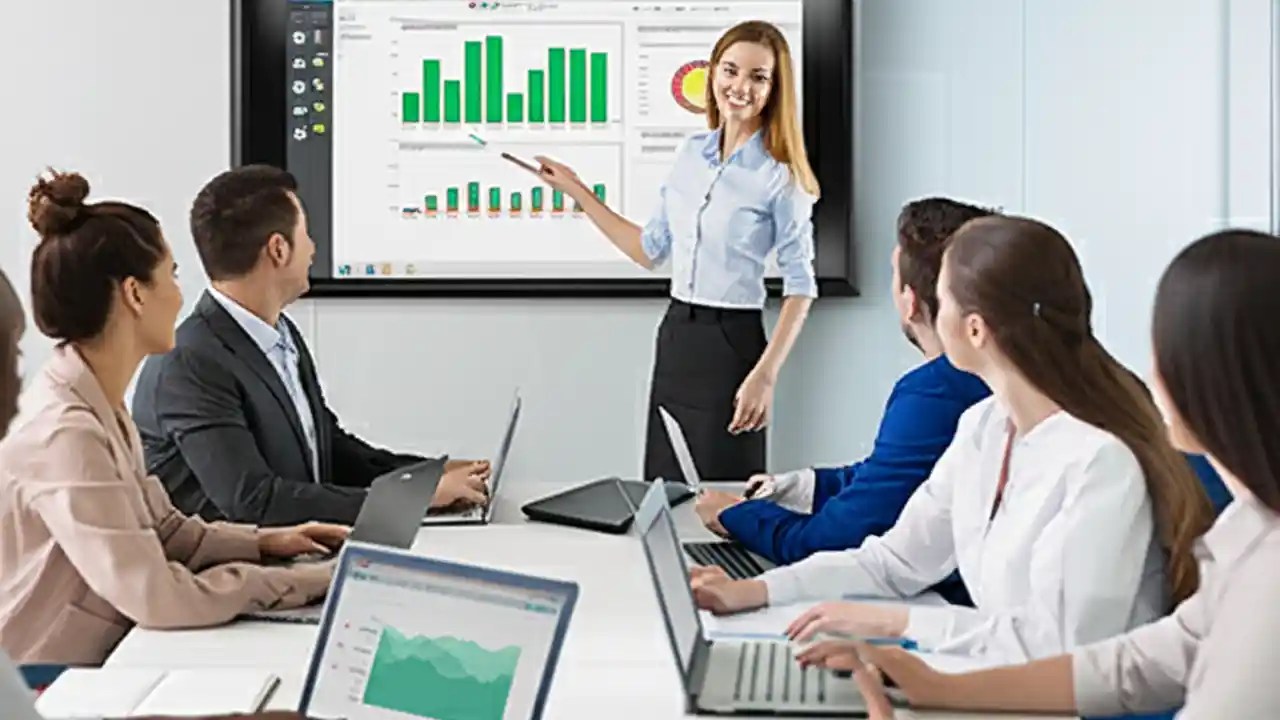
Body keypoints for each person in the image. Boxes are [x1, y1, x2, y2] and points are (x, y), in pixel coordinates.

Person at [691, 215, 1215, 666]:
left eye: (940, 302)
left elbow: (1062, 653)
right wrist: (754, 592)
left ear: (974, 329)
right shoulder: (984, 427)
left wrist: (894, 627)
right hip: (997, 686)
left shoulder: (1098, 459)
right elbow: (892, 563)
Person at [799, 229, 1280, 719]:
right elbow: (1135, 665)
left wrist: (899, 634)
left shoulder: (1267, 574)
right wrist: (932, 686)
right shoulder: (1248, 531)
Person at [0, 171, 341, 666]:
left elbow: (163, 530)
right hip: (42, 678)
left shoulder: (98, 399)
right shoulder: (65, 432)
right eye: (173, 274)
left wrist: (269, 543)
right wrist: (298, 583)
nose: (181, 296)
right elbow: (155, 594)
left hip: (109, 655)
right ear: (135, 294)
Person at [530, 21, 818, 483]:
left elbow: (801, 287)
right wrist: (578, 191)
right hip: (677, 334)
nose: (739, 87)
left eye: (758, 77)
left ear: (775, 88)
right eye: (730, 71)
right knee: (663, 487)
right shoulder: (690, 153)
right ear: (713, 76)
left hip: (733, 343)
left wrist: (765, 376)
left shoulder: (781, 177)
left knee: (721, 493)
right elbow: (649, 250)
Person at [132, 165, 490, 526]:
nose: (314, 248)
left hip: (298, 554)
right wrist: (412, 498)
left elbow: (329, 449)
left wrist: (428, 474)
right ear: (278, 249)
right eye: (306, 235)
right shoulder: (190, 361)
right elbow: (254, 500)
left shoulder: (279, 332)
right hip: (237, 571)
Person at [692, 198, 992, 582]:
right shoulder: (990, 382)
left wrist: (734, 515)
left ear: (910, 302)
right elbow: (891, 480)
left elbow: (831, 542)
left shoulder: (935, 393)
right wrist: (800, 487)